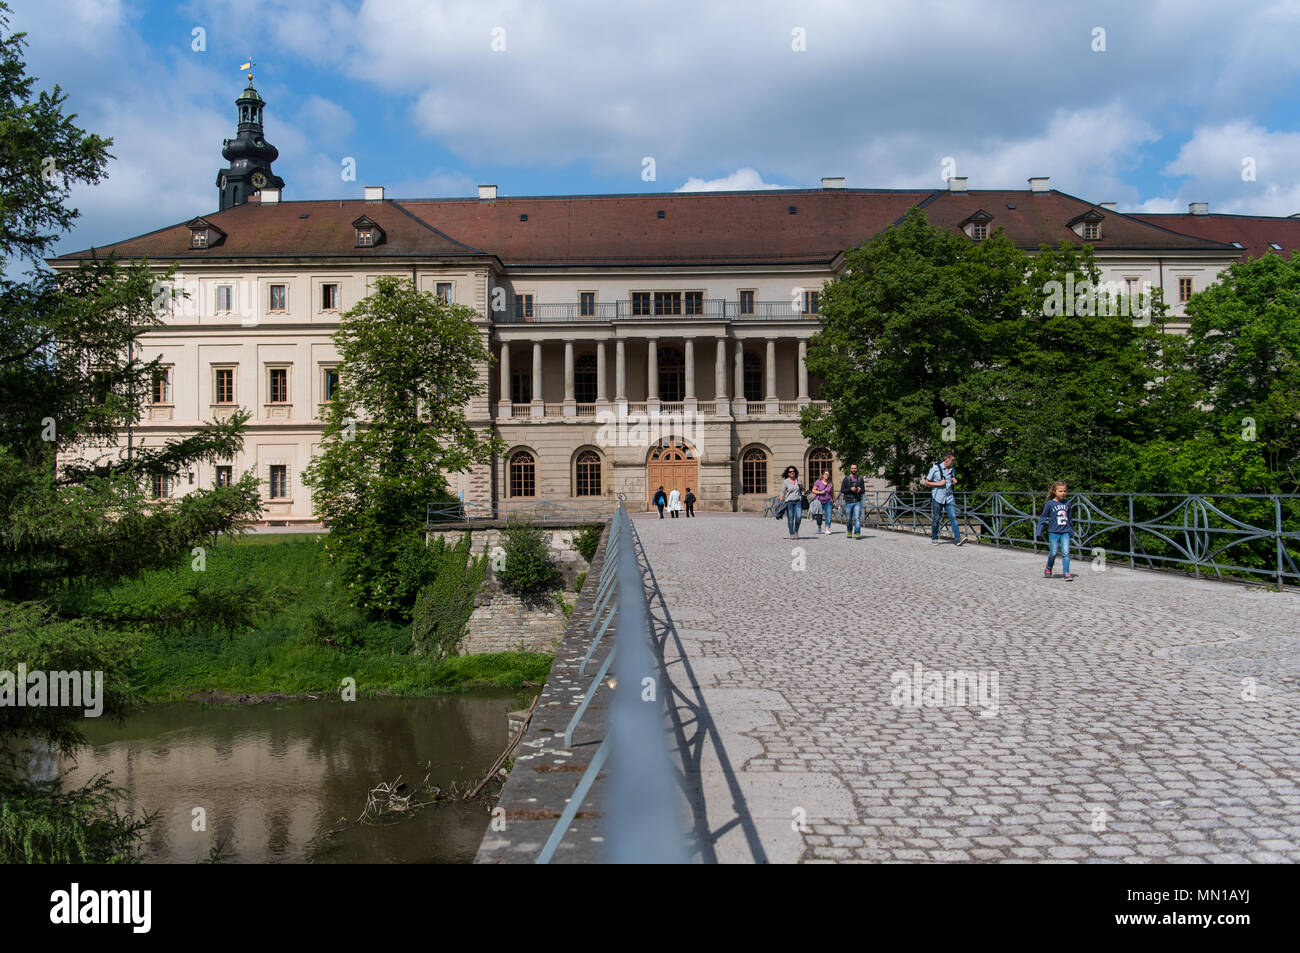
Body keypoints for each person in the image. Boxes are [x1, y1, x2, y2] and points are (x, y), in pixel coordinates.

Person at [1035, 480, 1074, 581]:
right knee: (1054, 553)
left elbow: (1069, 518)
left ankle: (1066, 572)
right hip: (1054, 532)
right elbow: (1043, 517)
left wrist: (1071, 531)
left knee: (1066, 552)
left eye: (1064, 491)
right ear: (1055, 491)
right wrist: (1038, 531)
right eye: (1060, 491)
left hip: (1065, 531)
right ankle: (1048, 568)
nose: (1063, 493)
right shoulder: (1050, 504)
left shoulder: (1067, 503)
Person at [923, 451, 965, 546]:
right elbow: (926, 482)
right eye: (952, 460)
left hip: (949, 497)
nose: (953, 462)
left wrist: (954, 481)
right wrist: (938, 484)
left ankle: (958, 539)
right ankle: (934, 538)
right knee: (937, 518)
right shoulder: (935, 468)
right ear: (947, 459)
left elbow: (952, 480)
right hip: (938, 497)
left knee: (953, 517)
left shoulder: (952, 469)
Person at [840, 463, 865, 539]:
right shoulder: (846, 479)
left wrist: (860, 490)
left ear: (857, 469)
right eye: (852, 468)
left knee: (857, 518)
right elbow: (842, 490)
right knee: (848, 519)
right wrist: (850, 489)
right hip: (849, 501)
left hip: (857, 501)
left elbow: (863, 490)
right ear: (850, 469)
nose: (854, 469)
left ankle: (857, 533)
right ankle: (849, 531)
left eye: (855, 468)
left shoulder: (860, 479)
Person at [779, 465, 805, 540]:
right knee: (790, 518)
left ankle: (796, 531)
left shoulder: (798, 480)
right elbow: (782, 492)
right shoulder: (786, 481)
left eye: (793, 471)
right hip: (789, 502)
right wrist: (781, 500)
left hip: (798, 501)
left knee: (799, 517)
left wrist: (801, 485)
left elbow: (803, 489)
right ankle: (791, 533)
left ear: (795, 472)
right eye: (790, 471)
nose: (792, 472)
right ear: (788, 473)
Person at [811, 470, 834, 535]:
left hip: (828, 501)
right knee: (819, 516)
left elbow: (832, 493)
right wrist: (820, 492)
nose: (827, 475)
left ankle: (827, 529)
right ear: (823, 475)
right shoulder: (818, 482)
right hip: (819, 501)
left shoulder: (830, 483)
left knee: (828, 515)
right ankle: (819, 527)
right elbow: (813, 490)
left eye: (828, 474)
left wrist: (834, 501)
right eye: (826, 474)